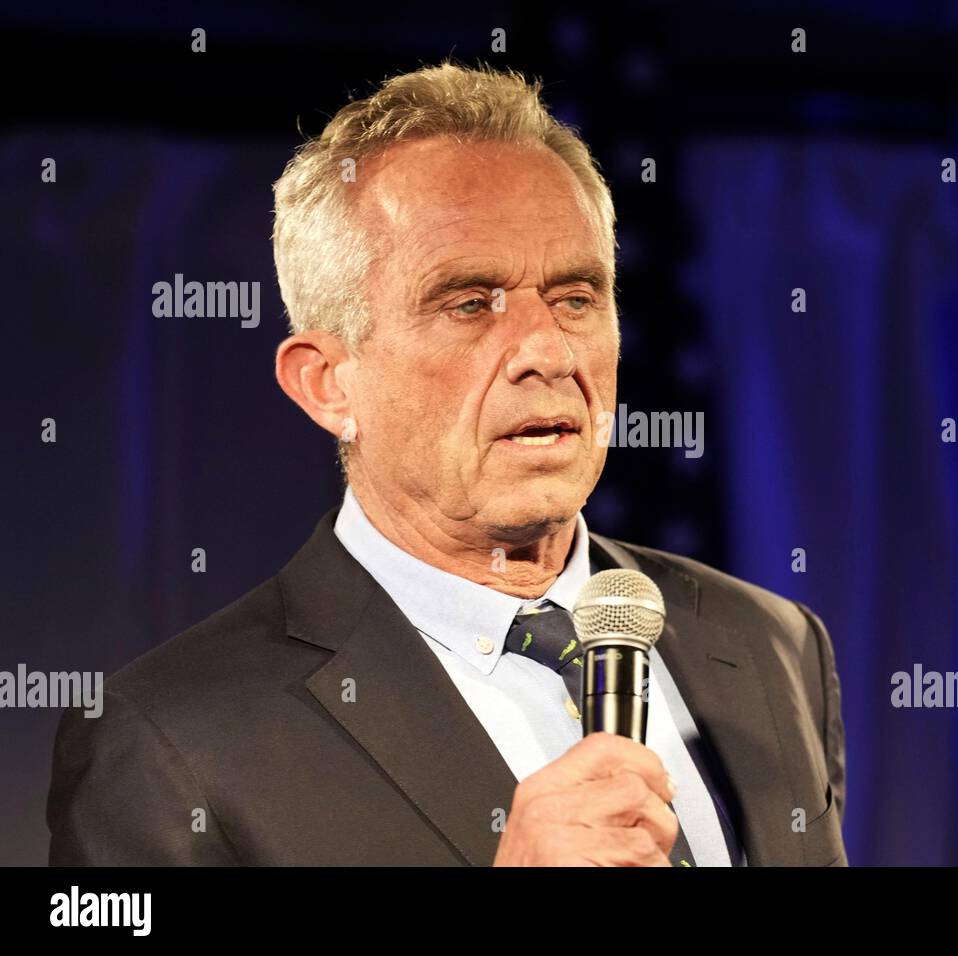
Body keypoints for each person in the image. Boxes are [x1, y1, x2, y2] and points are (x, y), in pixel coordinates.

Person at [46, 60, 846, 867]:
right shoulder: (167, 744)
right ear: (327, 384)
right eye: (469, 303)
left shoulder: (771, 645)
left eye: (575, 297)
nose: (546, 350)